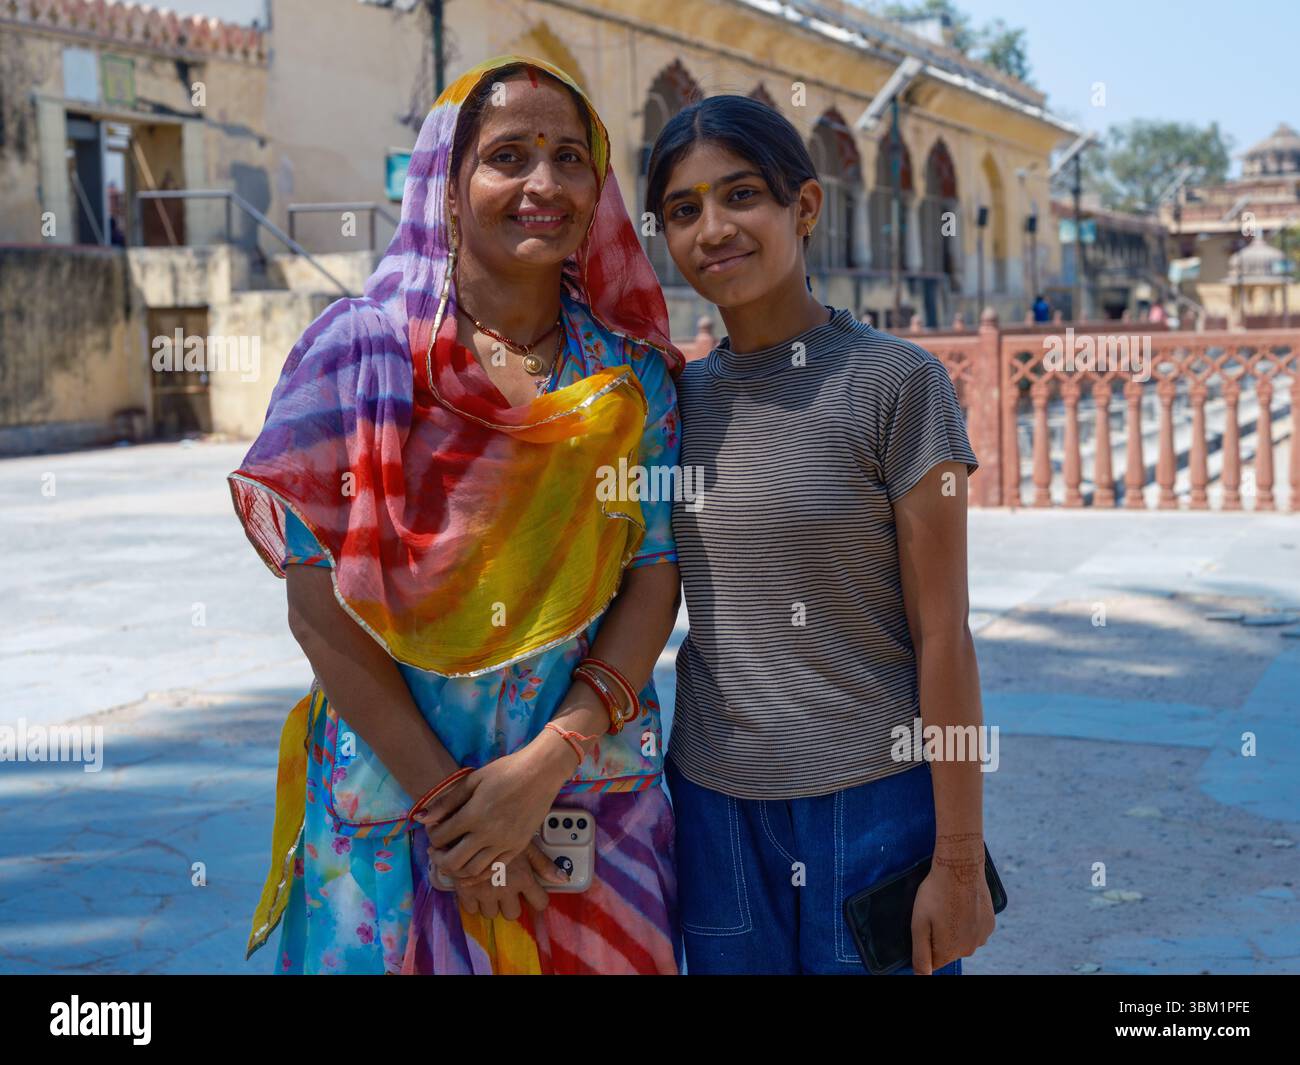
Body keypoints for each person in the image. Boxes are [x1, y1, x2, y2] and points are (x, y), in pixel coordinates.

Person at [229, 55, 685, 974]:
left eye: (569, 158)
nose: (543, 184)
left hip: (583, 801)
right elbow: (320, 610)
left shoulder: (632, 383)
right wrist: (460, 809)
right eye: (508, 155)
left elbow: (656, 574)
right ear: (446, 179)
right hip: (395, 809)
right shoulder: (358, 360)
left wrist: (542, 770)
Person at [643, 95, 995, 974]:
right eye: (684, 210)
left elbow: (943, 634)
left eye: (740, 196)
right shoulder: (666, 403)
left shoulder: (898, 384)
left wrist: (958, 860)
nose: (713, 228)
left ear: (803, 208)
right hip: (717, 811)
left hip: (876, 803)